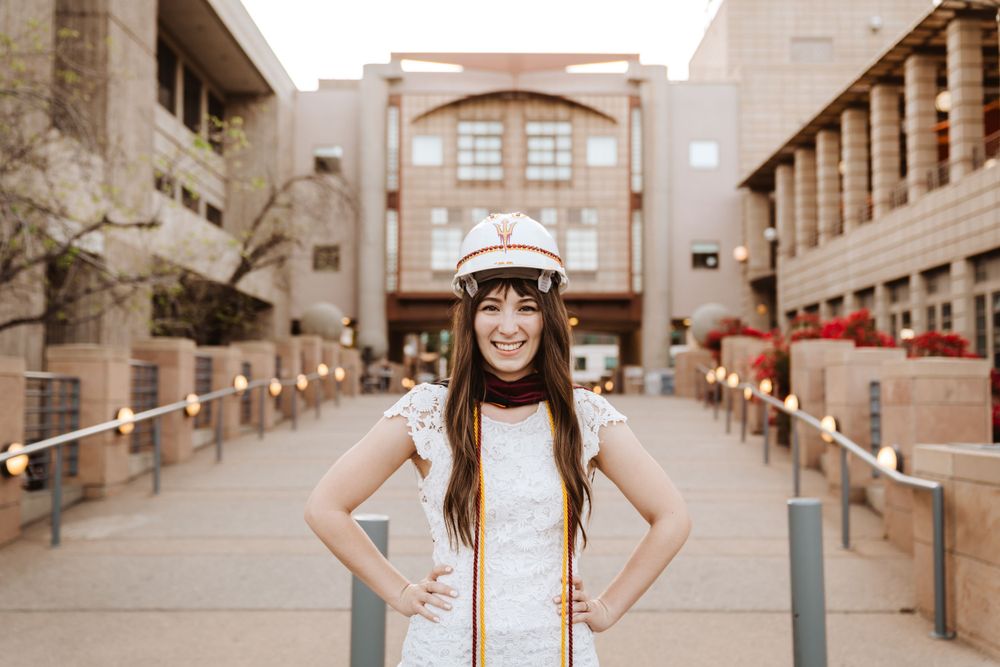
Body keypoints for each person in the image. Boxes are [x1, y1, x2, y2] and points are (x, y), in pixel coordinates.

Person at [304, 212, 691, 666]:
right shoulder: (430, 409)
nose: (508, 327)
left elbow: (672, 516)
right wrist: (402, 593)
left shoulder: (581, 413)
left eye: (525, 308)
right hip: (447, 650)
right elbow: (324, 507)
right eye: (491, 307)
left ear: (548, 318)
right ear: (469, 318)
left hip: (555, 650)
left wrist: (608, 607)